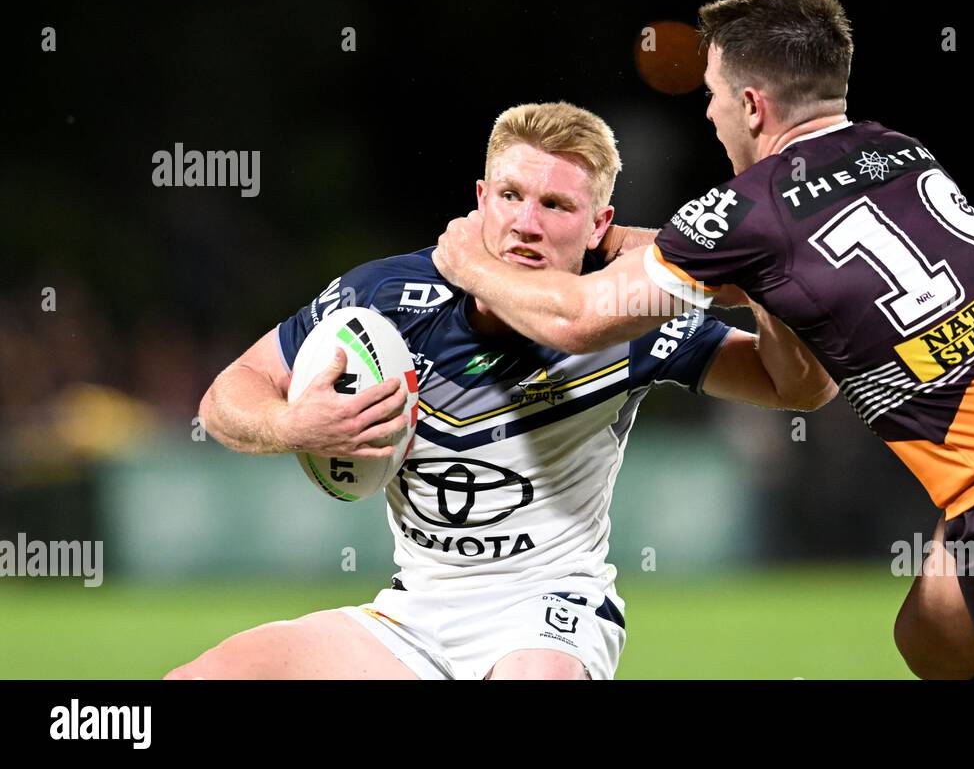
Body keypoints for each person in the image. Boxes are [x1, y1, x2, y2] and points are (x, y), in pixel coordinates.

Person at [432, 0, 974, 680]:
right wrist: (604, 235)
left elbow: (581, 318)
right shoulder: (896, 151)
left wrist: (470, 261)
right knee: (932, 634)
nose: (710, 115)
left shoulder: (750, 209)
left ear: (752, 105)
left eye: (714, 96)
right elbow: (764, 264)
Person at [166, 101, 836, 681]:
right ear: (481, 199)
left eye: (555, 204)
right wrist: (292, 425)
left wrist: (754, 275)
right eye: (511, 196)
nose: (526, 222)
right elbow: (228, 395)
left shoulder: (628, 313)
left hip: (551, 611)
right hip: (415, 614)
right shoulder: (388, 297)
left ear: (599, 225)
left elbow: (799, 388)